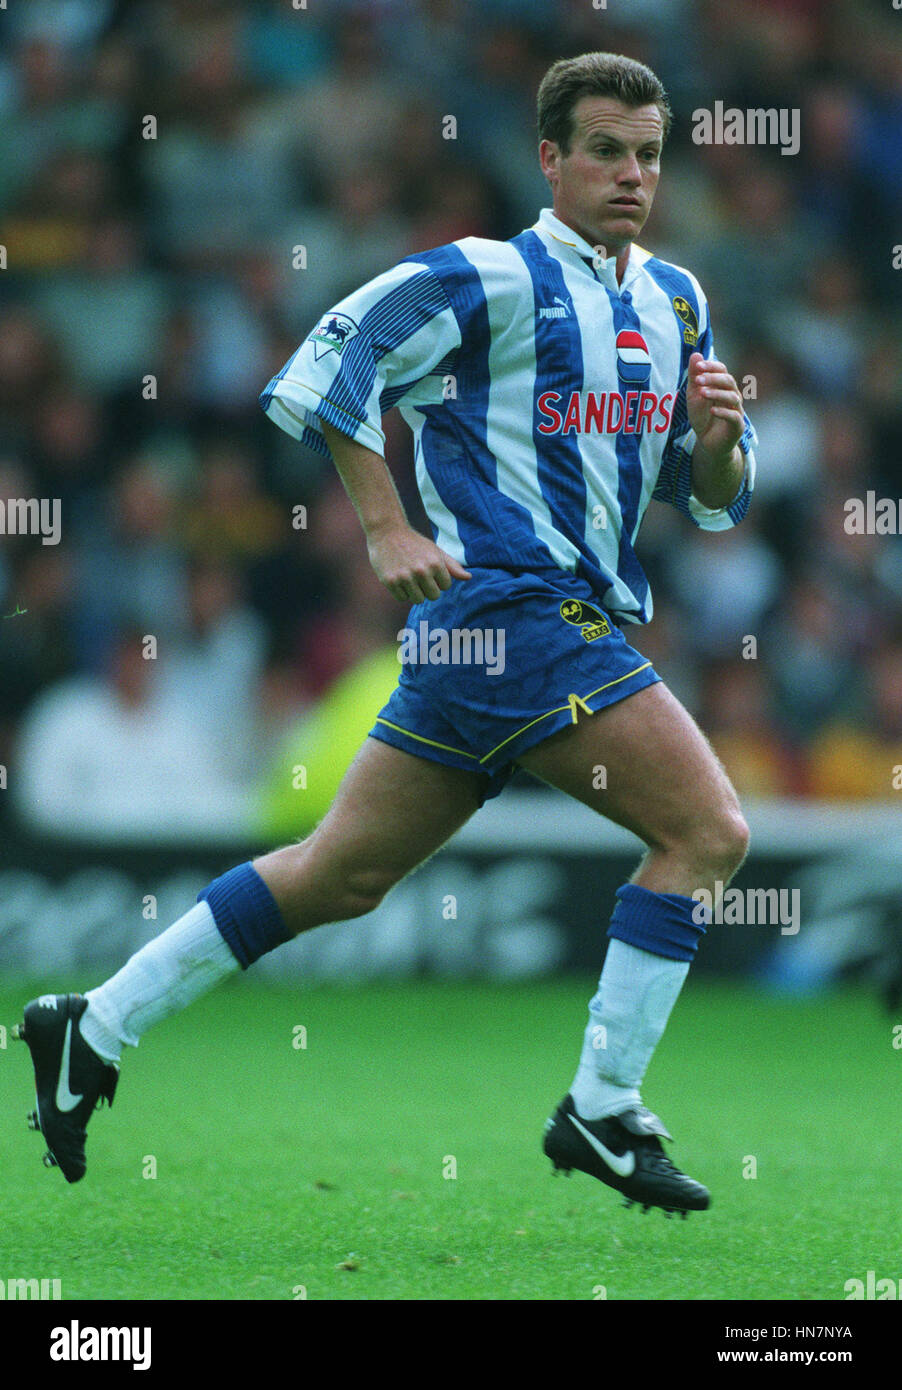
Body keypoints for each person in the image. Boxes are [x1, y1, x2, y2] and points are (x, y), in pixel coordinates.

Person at [16, 52, 757, 1215]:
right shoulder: (485, 274)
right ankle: (602, 1106)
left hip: (492, 640)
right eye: (604, 150)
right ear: (550, 158)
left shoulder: (674, 302)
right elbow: (328, 360)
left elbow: (707, 496)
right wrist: (383, 524)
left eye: (648, 154)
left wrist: (714, 437)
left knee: (338, 875)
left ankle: (90, 1024)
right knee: (706, 833)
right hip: (520, 614)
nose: (629, 175)